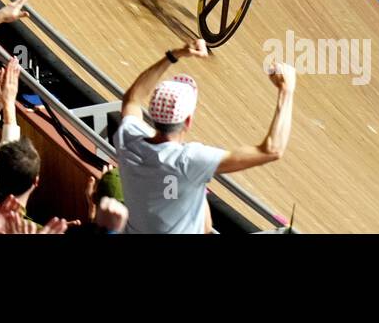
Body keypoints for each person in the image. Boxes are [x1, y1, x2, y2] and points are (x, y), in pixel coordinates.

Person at [115, 39, 296, 233]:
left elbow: (132, 99)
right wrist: (287, 90)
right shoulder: (189, 161)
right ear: (188, 121)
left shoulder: (128, 139)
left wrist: (173, 55)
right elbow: (272, 150)